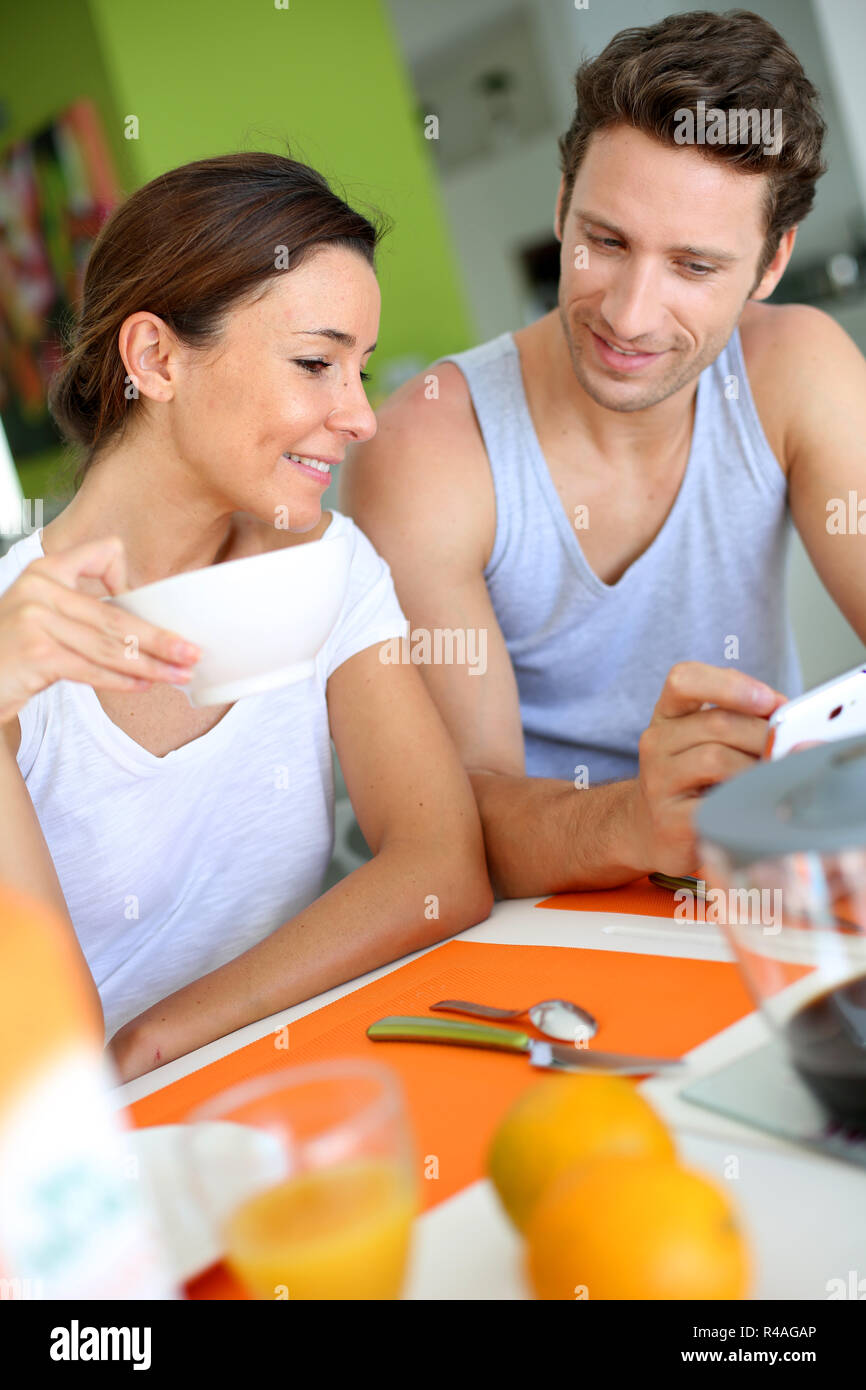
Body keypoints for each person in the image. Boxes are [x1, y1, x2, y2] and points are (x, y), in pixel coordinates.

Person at [342, 9, 866, 899]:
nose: (628, 314)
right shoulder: (428, 447)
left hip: (730, 879)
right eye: (606, 241)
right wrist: (638, 818)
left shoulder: (798, 368)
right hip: (516, 917)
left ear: (771, 265)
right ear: (561, 207)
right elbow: (453, 829)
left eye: (695, 267)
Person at [0, 152, 493, 1083]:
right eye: (316, 362)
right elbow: (51, 1046)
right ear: (155, 358)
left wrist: (165, 1034)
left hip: (299, 1078)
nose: (360, 417)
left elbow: (439, 868)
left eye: (360, 369)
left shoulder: (329, 567)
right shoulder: (16, 651)